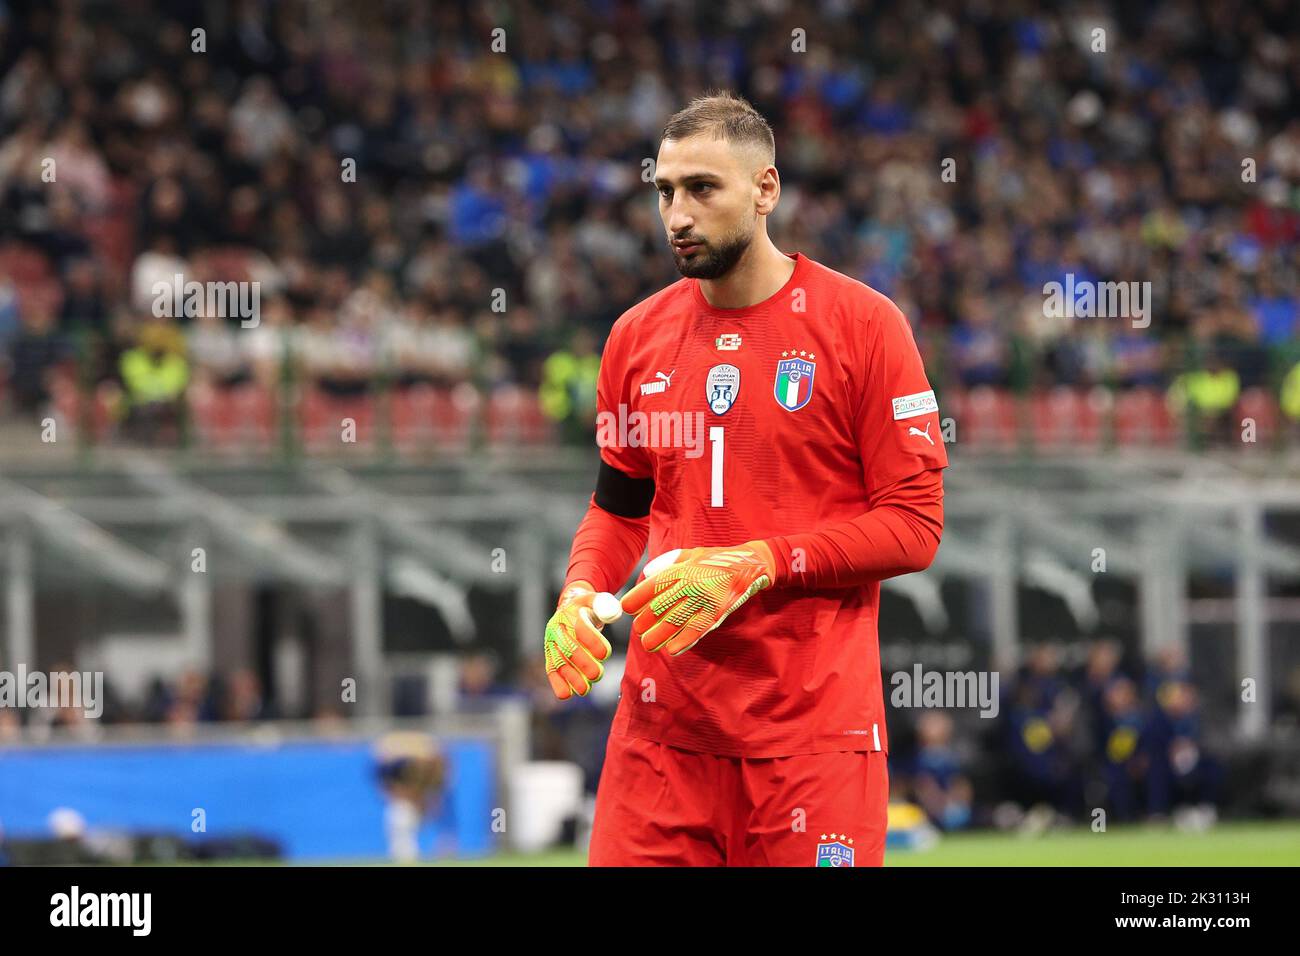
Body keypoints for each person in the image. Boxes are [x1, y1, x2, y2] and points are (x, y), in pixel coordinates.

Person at [542, 91, 947, 867]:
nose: (677, 215)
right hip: (663, 740)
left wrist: (759, 563)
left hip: (812, 742)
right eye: (664, 191)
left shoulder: (864, 326)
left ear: (766, 190)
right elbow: (618, 508)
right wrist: (577, 592)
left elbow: (915, 524)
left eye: (702, 188)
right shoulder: (634, 338)